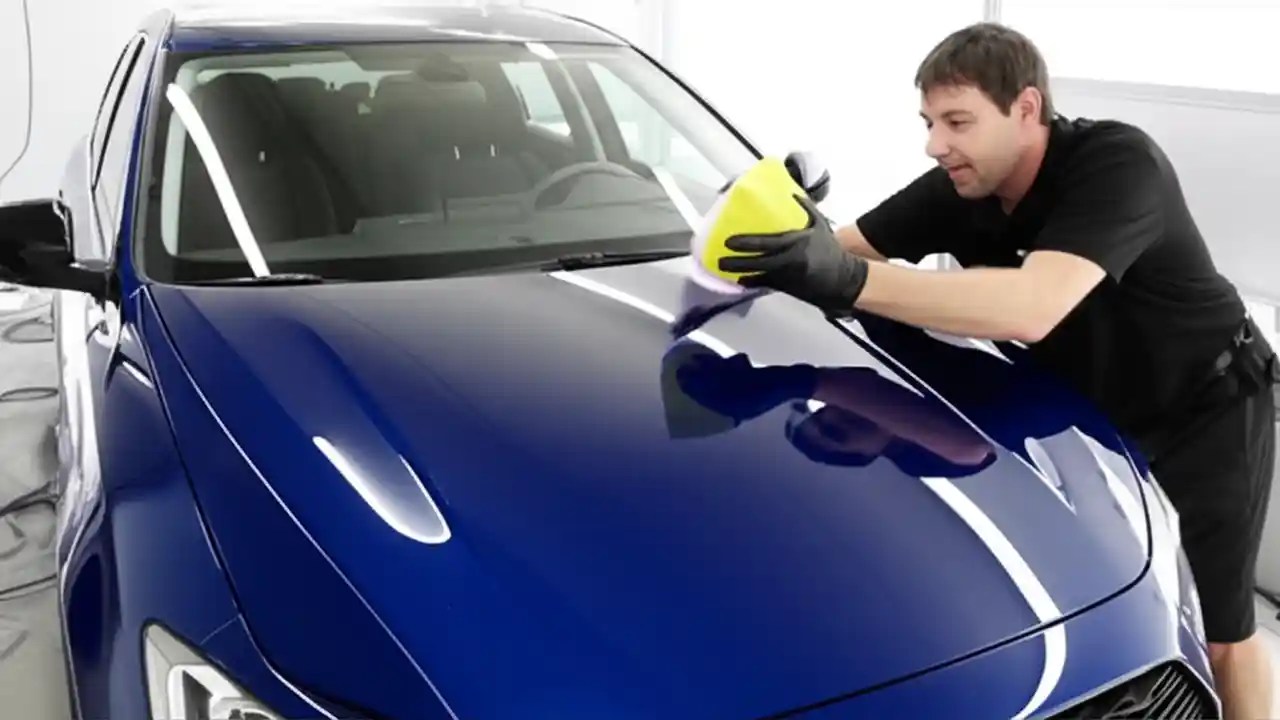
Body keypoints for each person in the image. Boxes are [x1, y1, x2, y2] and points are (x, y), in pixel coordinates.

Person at [719, 21, 1279, 720]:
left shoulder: (1116, 163)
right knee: (1101, 600)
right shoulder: (960, 186)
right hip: (1088, 415)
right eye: (928, 122)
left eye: (957, 121)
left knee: (1221, 627)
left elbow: (1030, 306)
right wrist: (752, 252)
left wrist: (847, 280)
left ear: (1026, 108)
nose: (934, 143)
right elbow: (842, 251)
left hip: (1207, 403)